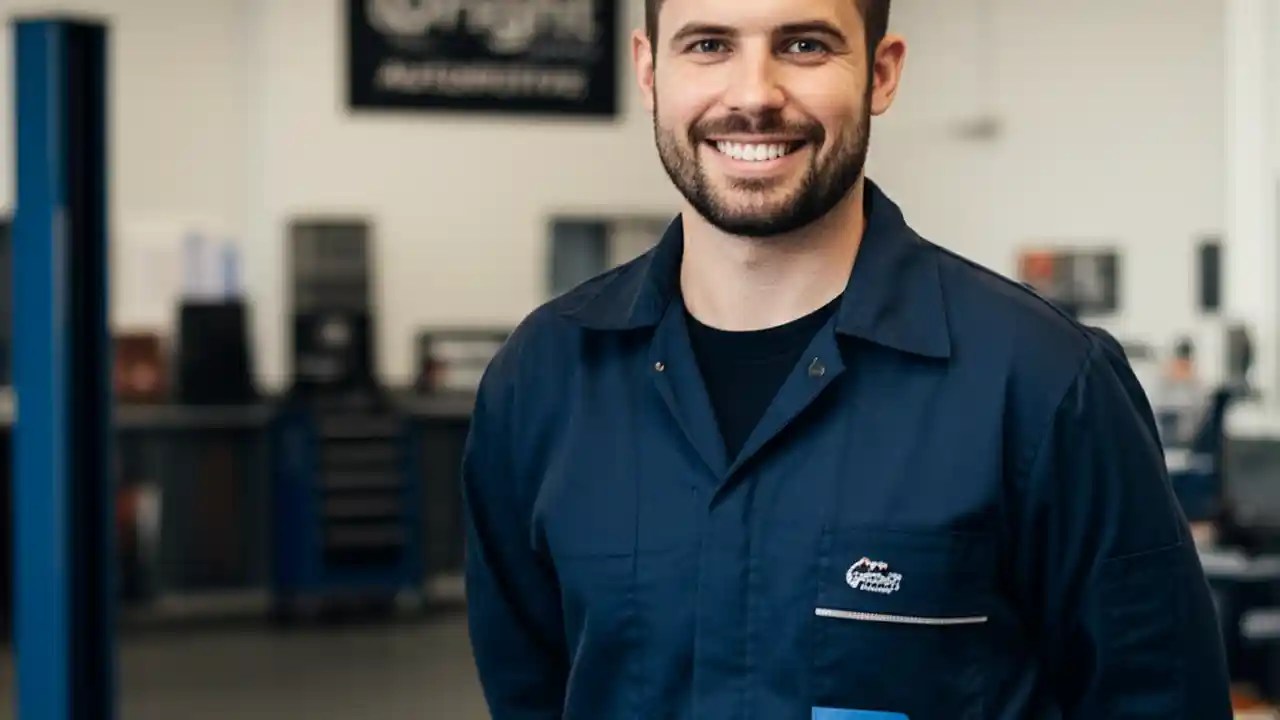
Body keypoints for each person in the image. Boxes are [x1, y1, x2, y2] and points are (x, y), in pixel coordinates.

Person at [461, 0, 1233, 717]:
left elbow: (1159, 699)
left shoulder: (1044, 384)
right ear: (649, 71)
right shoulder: (543, 383)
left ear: (882, 73)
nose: (754, 94)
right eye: (708, 45)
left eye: (804, 45)